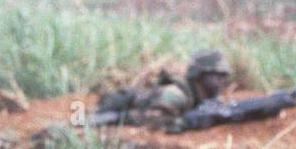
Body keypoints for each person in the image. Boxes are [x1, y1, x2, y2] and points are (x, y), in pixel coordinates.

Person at [91, 50, 231, 128]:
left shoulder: (208, 97)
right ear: (200, 74)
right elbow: (151, 119)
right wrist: (183, 122)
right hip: (120, 105)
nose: (222, 80)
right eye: (216, 74)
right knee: (107, 118)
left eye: (223, 75)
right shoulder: (175, 94)